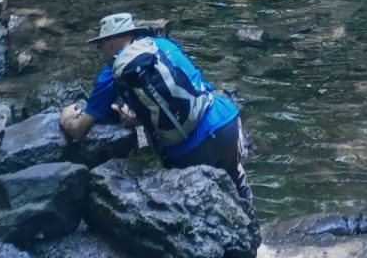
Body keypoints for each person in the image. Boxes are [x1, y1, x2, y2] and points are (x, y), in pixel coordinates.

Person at [60, 12, 255, 217]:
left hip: (191, 150)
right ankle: (254, 232)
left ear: (109, 43)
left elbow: (79, 130)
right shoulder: (163, 44)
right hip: (226, 123)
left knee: (206, 211)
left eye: (100, 46)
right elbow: (193, 85)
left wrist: (65, 119)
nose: (101, 52)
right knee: (236, 177)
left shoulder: (113, 73)